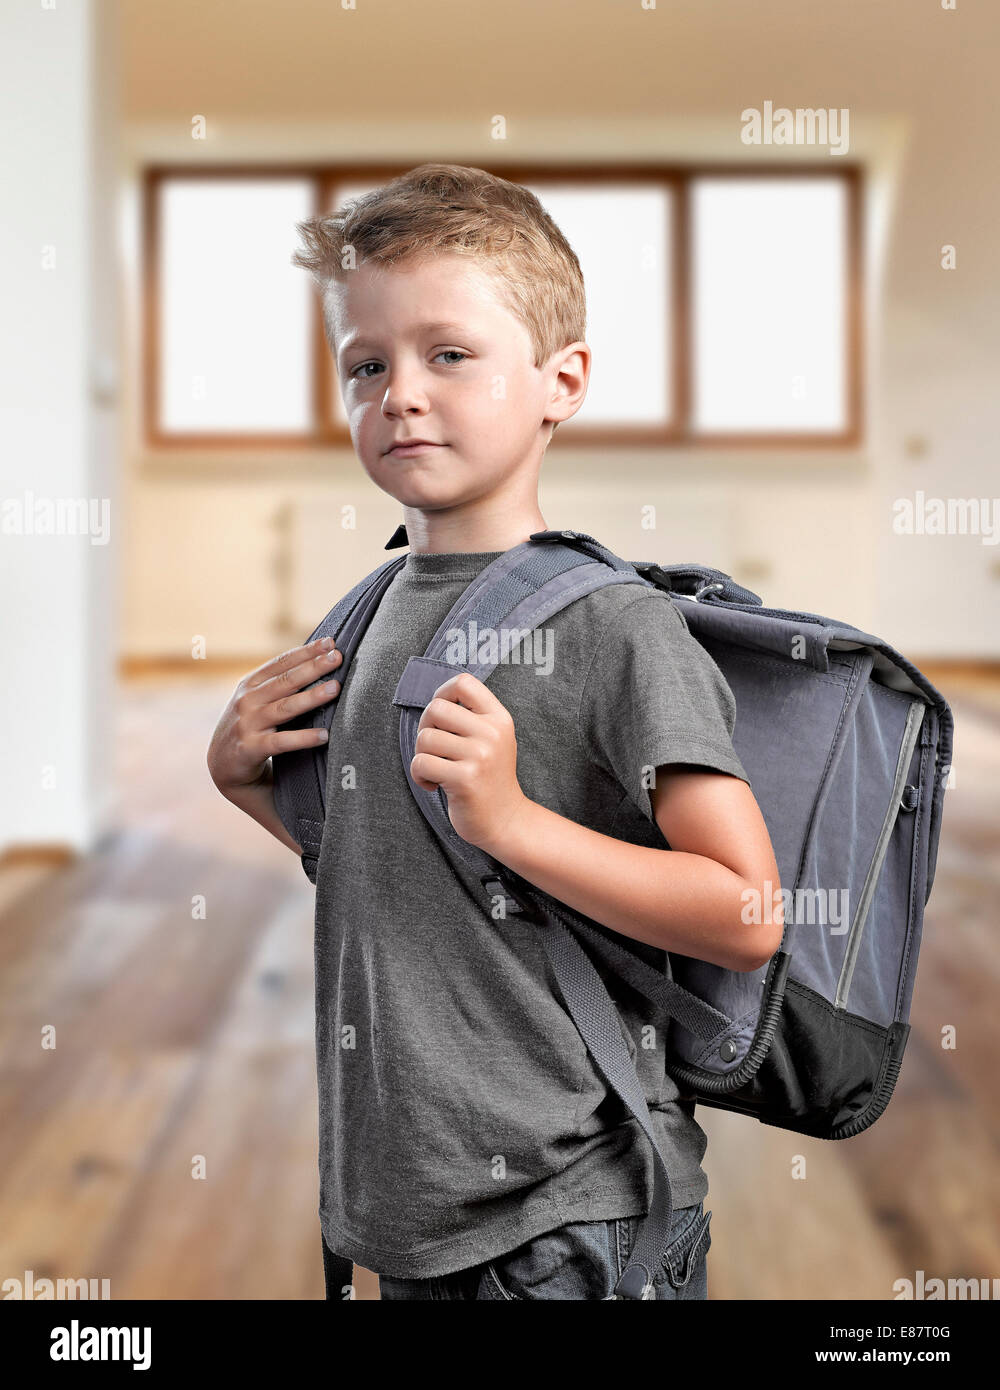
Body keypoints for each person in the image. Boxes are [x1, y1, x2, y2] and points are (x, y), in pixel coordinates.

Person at [207, 163, 783, 1301]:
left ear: (560, 380)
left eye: (449, 353)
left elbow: (748, 913)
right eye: (366, 364)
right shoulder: (366, 616)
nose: (400, 392)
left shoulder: (618, 629)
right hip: (410, 1204)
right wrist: (242, 784)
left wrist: (514, 819)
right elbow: (400, 872)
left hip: (568, 1218)